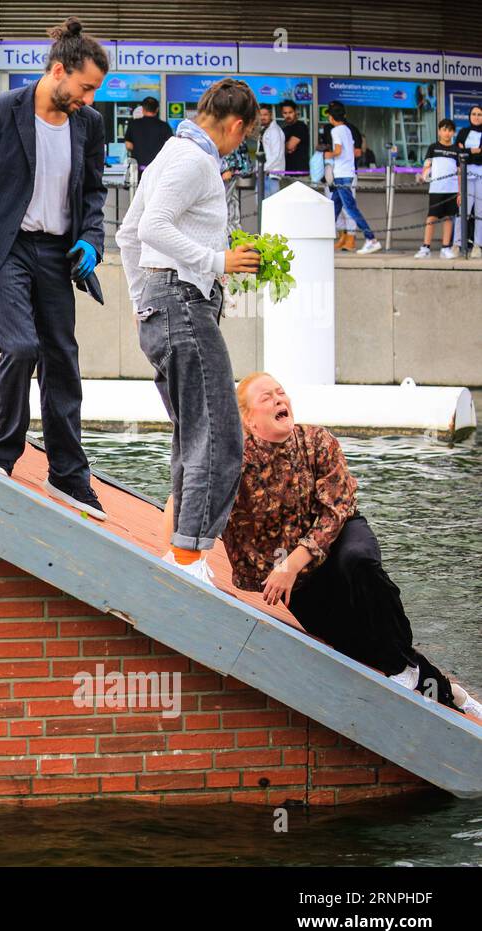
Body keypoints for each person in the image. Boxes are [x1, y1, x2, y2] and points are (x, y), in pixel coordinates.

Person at [223, 372, 482, 718]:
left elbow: (336, 509)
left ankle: (404, 669)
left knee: (358, 563)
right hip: (301, 581)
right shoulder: (235, 462)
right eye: (266, 398)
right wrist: (184, 557)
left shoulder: (317, 440)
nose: (279, 400)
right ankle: (452, 693)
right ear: (247, 419)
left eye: (281, 392)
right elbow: (196, 498)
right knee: (359, 645)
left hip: (340, 537)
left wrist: (290, 563)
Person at [0, 17, 110, 520]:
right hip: (7, 249)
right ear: (58, 71)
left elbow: (93, 192)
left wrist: (91, 239)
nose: (89, 99)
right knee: (19, 347)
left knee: (62, 361)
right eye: (85, 87)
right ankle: (3, 456)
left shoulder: (89, 124)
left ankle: (68, 475)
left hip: (59, 254)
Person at [116, 77, 262, 584]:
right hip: (182, 303)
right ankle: (188, 558)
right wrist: (218, 260)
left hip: (162, 304)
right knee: (219, 435)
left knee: (193, 433)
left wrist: (142, 302)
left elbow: (128, 234)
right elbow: (151, 228)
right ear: (237, 125)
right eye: (244, 137)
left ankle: (183, 553)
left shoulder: (169, 153)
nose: (239, 146)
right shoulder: (196, 159)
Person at [323, 102, 380, 255]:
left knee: (350, 208)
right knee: (334, 208)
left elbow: (338, 151)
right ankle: (322, 240)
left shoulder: (336, 131)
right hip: (347, 173)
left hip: (341, 175)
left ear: (331, 117)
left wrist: (328, 154)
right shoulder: (348, 130)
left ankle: (371, 239)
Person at [416, 119, 461, 259]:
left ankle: (446, 248)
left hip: (452, 189)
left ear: (453, 133)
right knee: (432, 217)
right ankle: (425, 248)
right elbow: (426, 166)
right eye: (444, 130)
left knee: (448, 218)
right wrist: (424, 175)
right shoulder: (433, 148)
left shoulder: (456, 150)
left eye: (450, 130)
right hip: (436, 189)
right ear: (439, 131)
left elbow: (460, 172)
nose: (447, 133)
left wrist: (460, 192)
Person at [453, 104, 482, 259]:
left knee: (480, 211)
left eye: (479, 114)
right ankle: (457, 243)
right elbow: (458, 152)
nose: (476, 117)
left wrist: (467, 151)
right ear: (469, 116)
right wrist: (472, 151)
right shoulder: (463, 132)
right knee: (463, 209)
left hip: (481, 173)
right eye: (474, 114)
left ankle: (477, 244)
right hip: (465, 172)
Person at [123, 96, 172, 181]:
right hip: (158, 169)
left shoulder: (133, 124)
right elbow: (170, 146)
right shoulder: (164, 126)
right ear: (157, 109)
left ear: (142, 109)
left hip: (138, 169)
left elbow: (128, 145)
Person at [258, 104, 285, 199]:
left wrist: (263, 168)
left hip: (271, 175)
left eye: (265, 115)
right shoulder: (264, 130)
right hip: (263, 174)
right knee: (261, 204)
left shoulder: (275, 131)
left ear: (271, 115)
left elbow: (277, 155)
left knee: (271, 204)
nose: (262, 117)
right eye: (260, 115)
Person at [278, 99, 309, 178]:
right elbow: (281, 149)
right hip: (286, 172)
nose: (288, 115)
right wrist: (284, 147)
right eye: (285, 113)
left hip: (300, 173)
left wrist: (283, 147)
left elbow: (289, 146)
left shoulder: (301, 126)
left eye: (290, 112)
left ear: (295, 112)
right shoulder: (284, 129)